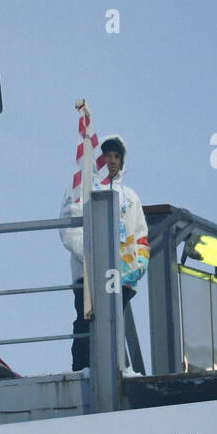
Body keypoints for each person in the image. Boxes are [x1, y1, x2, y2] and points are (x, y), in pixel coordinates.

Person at [60, 136, 150, 371]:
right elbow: (70, 228)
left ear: (121, 162)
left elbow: (141, 235)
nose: (111, 160)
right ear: (99, 158)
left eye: (116, 156)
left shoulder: (131, 197)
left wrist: (140, 265)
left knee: (114, 325)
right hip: (88, 274)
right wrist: (94, 257)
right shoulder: (82, 188)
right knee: (84, 323)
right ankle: (81, 371)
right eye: (107, 155)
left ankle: (114, 370)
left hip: (122, 276)